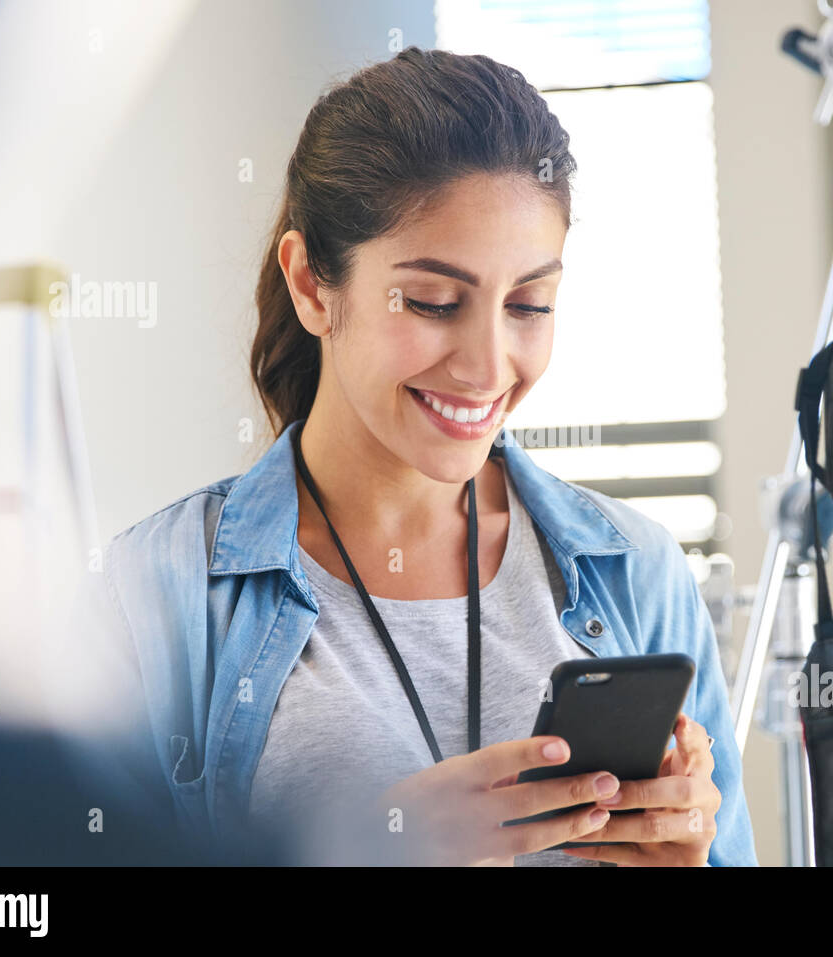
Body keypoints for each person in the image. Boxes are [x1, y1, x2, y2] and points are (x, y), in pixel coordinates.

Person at [99, 46, 756, 866]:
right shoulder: (161, 590)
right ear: (312, 286)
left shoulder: (638, 569)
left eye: (528, 304)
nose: (487, 365)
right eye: (435, 302)